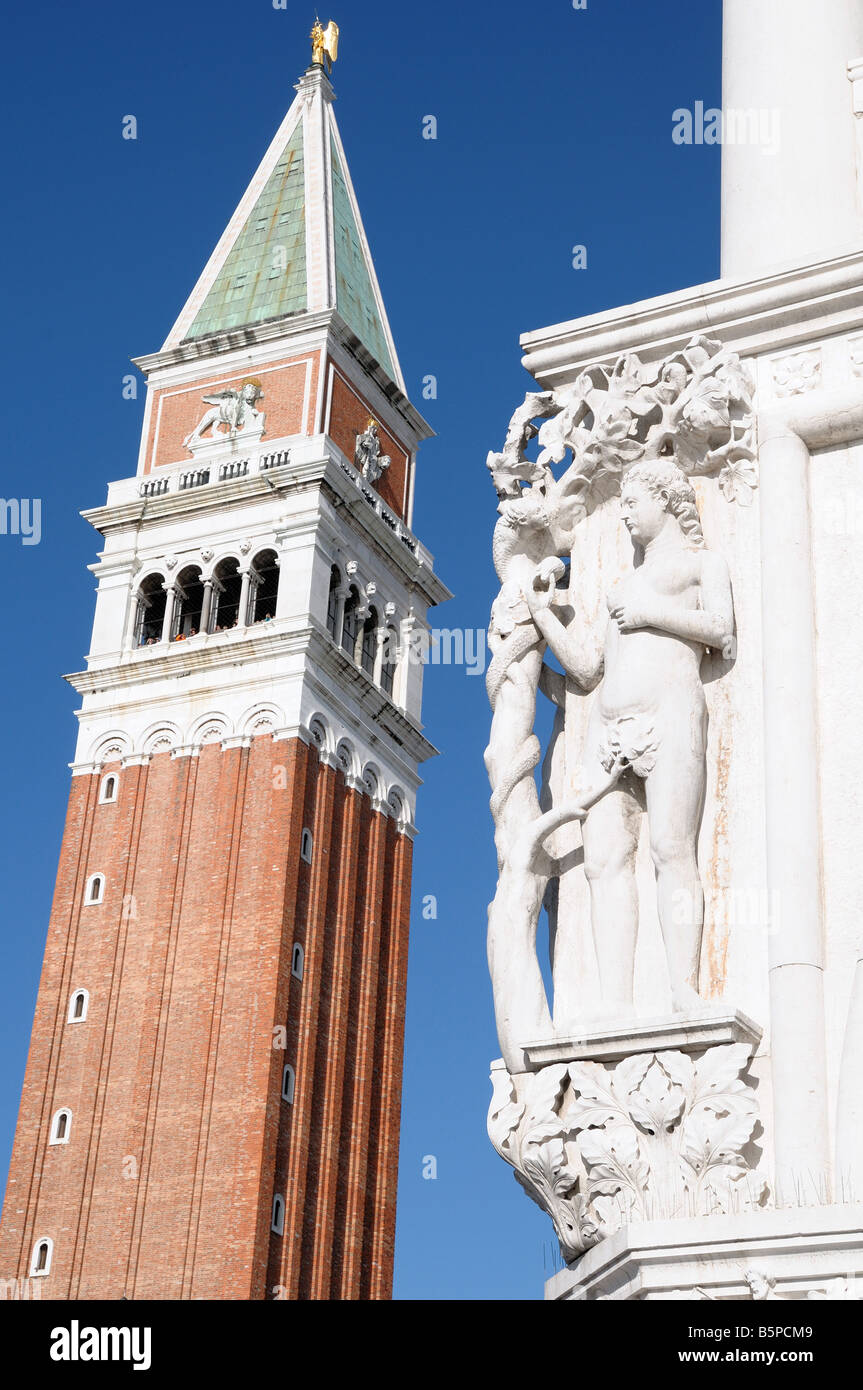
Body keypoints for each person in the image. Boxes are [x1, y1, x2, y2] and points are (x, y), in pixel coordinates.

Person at [526, 460, 734, 1016]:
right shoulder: (619, 586)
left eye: (632, 502)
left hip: (672, 719)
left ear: (666, 502)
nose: (623, 514)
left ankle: (682, 989)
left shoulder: (701, 566)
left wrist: (650, 614)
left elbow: (721, 631)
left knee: (671, 850)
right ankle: (614, 1004)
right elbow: (588, 667)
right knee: (603, 860)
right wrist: (544, 618)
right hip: (607, 732)